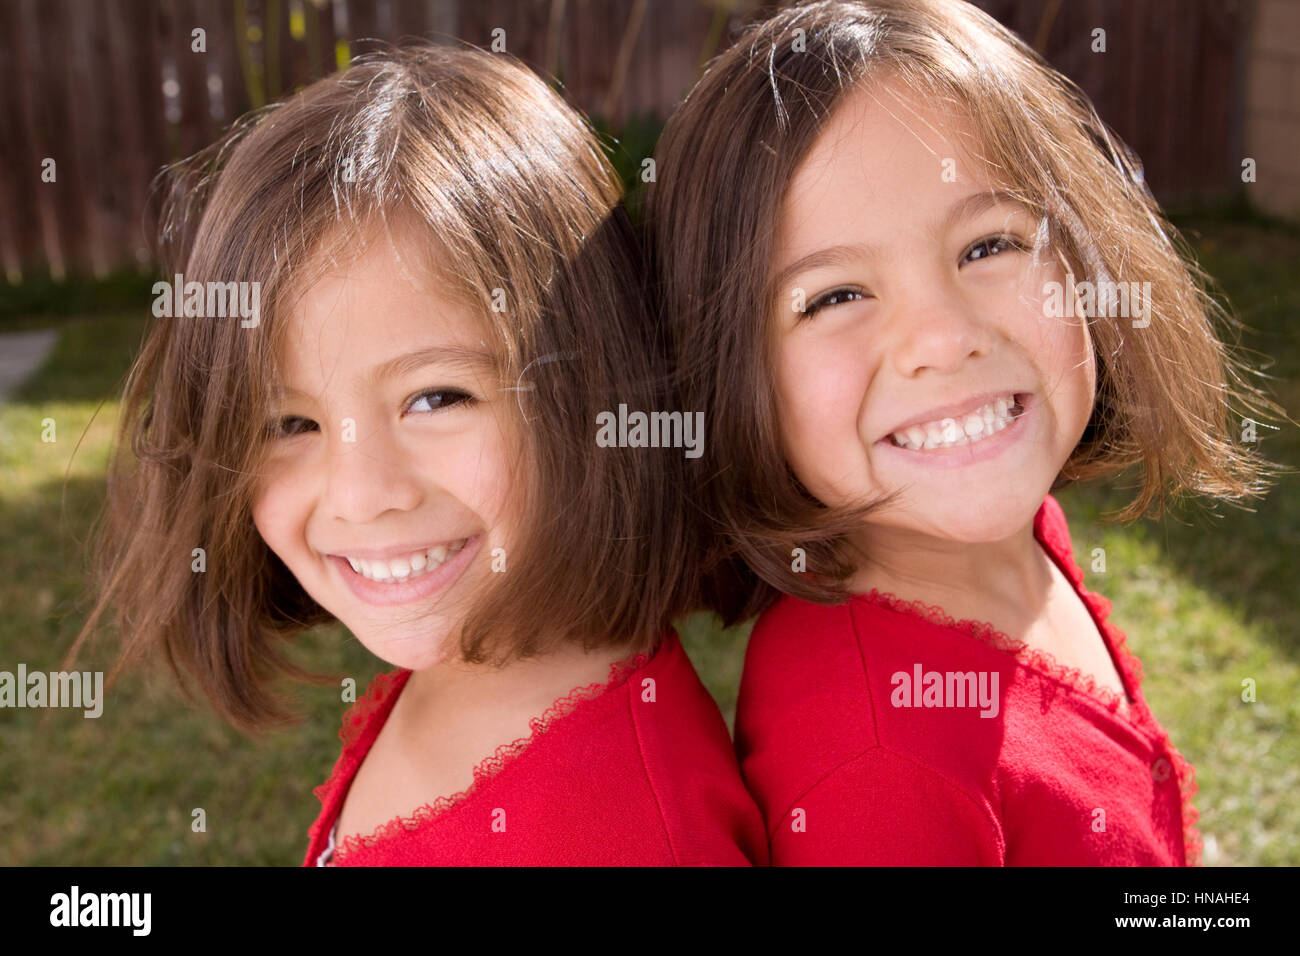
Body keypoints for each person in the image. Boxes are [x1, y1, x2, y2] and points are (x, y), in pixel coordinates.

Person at [76, 43, 767, 867]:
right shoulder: (473, 666)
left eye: (435, 399)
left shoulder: (616, 835)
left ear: (598, 383)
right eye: (290, 423)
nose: (362, 494)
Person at [644, 0, 1277, 864]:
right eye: (835, 296)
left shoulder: (1011, 536)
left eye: (988, 247)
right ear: (730, 374)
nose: (942, 338)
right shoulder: (878, 770)